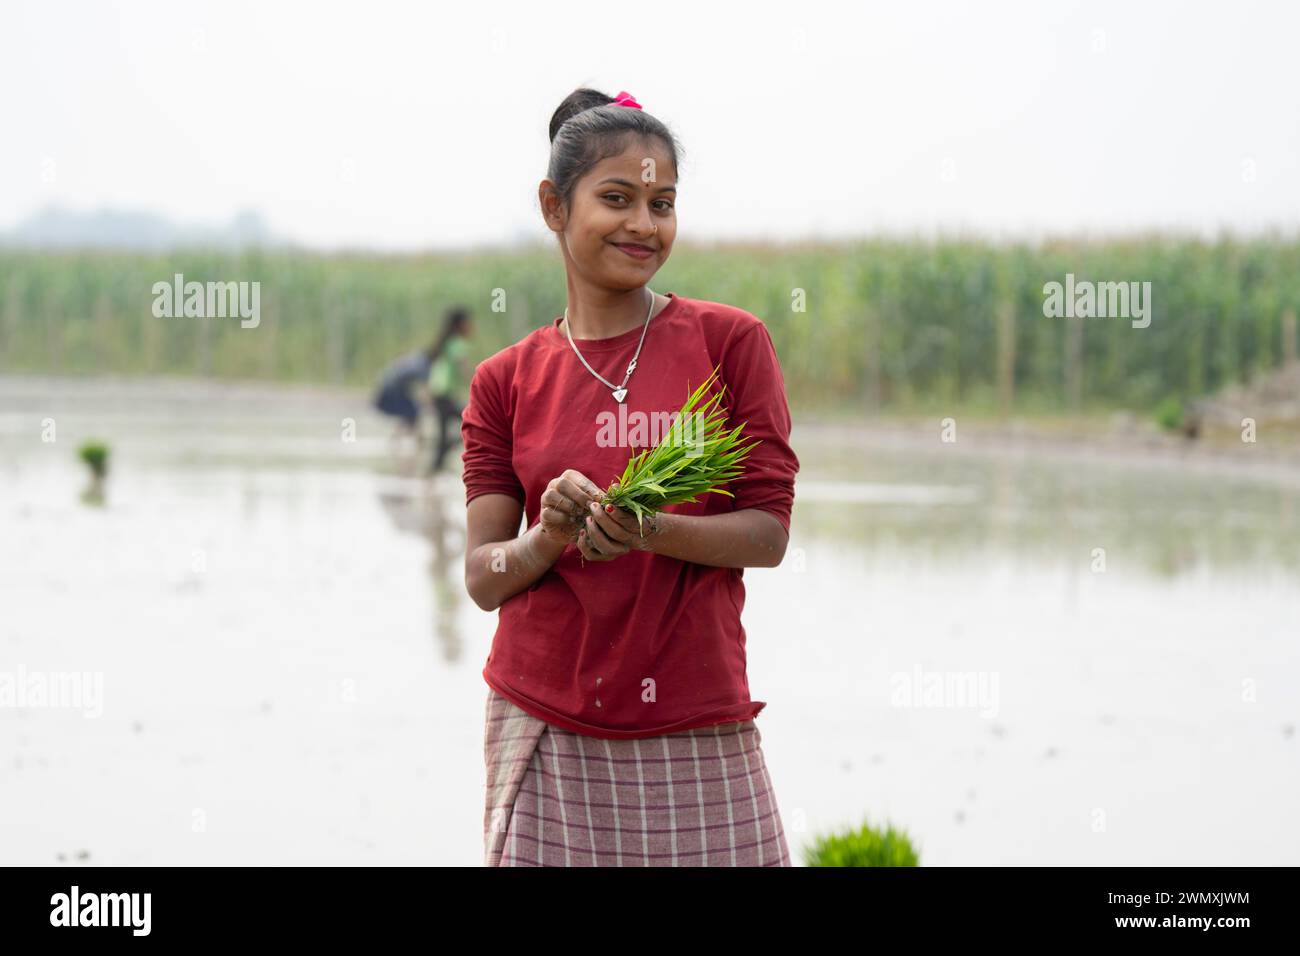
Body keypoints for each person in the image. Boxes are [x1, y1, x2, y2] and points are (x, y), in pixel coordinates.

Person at [462, 88, 800, 866]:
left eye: (663, 202)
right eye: (617, 198)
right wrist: (549, 536)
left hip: (697, 713)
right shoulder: (503, 381)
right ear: (554, 206)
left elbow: (770, 533)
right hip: (546, 721)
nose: (644, 225)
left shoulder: (729, 343)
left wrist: (649, 530)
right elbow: (485, 578)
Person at [427, 308, 472, 474]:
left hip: (438, 392)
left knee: (447, 431)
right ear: (460, 325)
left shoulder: (448, 342)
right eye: (468, 323)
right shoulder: (458, 344)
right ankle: (436, 466)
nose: (471, 327)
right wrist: (480, 385)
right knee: (472, 423)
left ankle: (435, 468)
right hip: (443, 393)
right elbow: (463, 368)